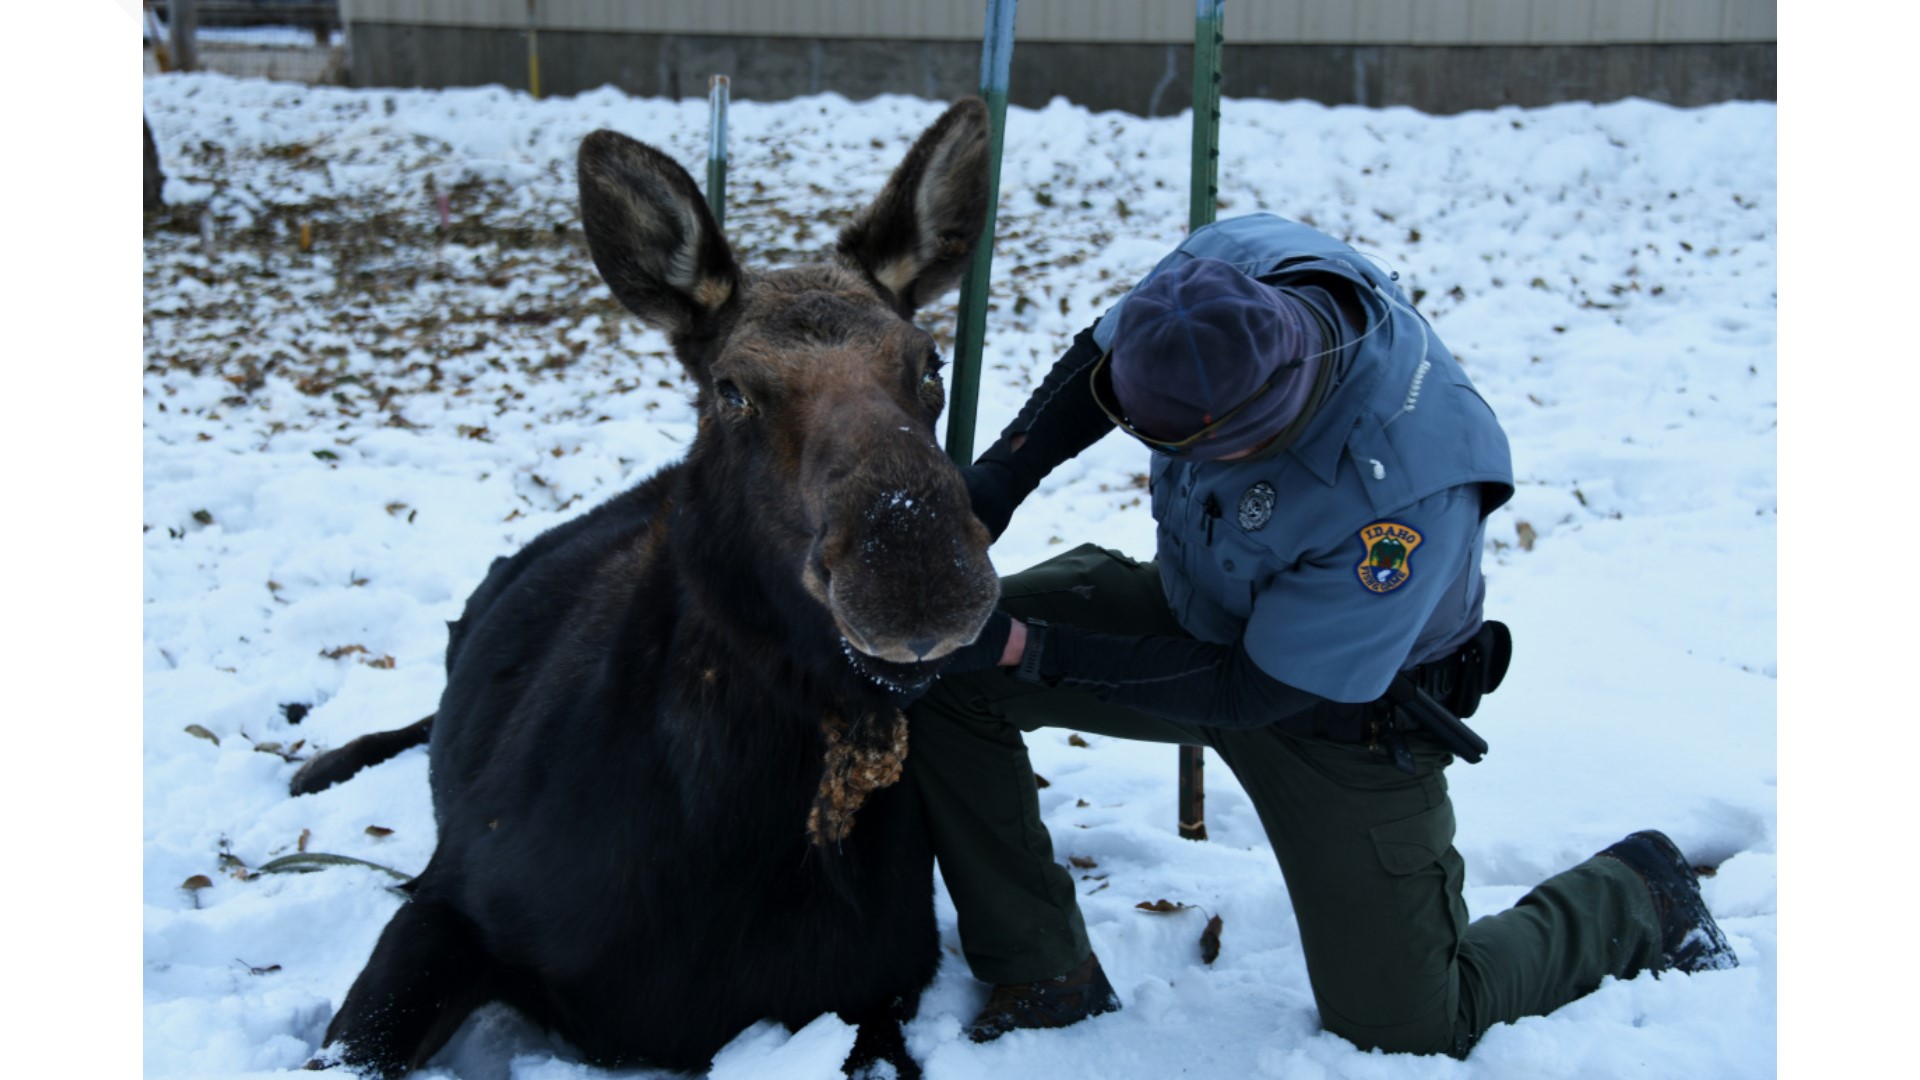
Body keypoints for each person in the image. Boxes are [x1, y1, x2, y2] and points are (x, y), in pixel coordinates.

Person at [907, 212, 1737, 1057]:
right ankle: (1043, 969)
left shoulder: (1402, 488)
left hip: (1339, 717)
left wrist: (1027, 648)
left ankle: (1639, 896)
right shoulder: (1230, 277)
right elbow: (1105, 354)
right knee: (937, 668)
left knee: (1413, 1024)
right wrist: (1000, 481)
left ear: (1241, 436)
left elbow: (1255, 691)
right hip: (1195, 616)